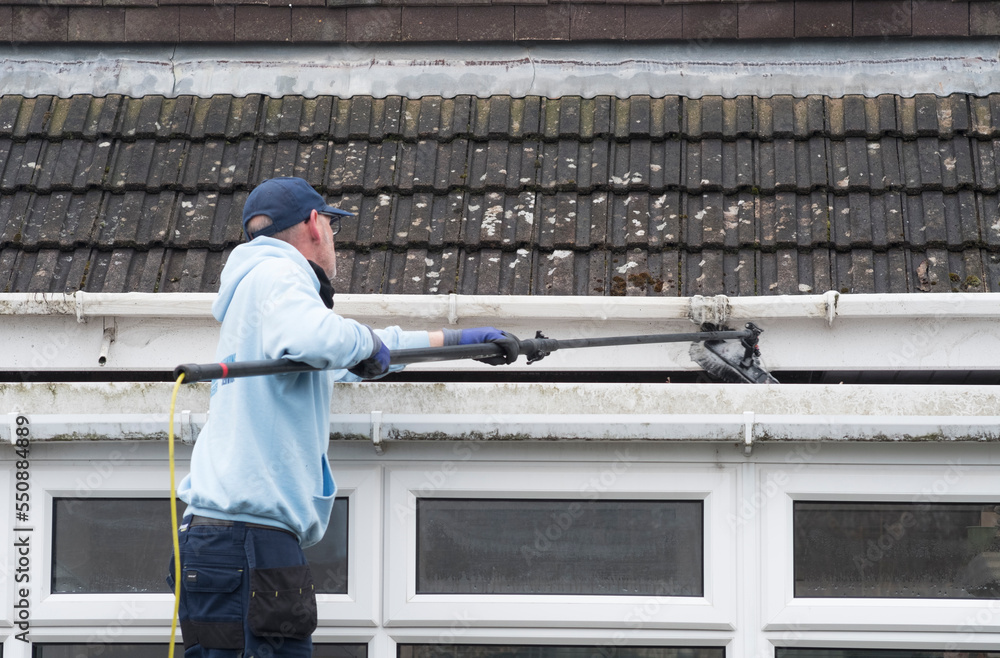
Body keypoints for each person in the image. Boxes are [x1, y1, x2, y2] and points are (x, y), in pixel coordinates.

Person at [169, 177, 518, 657]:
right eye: (333, 226)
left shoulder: (257, 297)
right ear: (315, 223)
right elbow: (322, 339)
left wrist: (458, 343)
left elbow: (343, 350)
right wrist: (365, 344)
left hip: (227, 544)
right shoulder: (280, 274)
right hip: (245, 544)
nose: (334, 240)